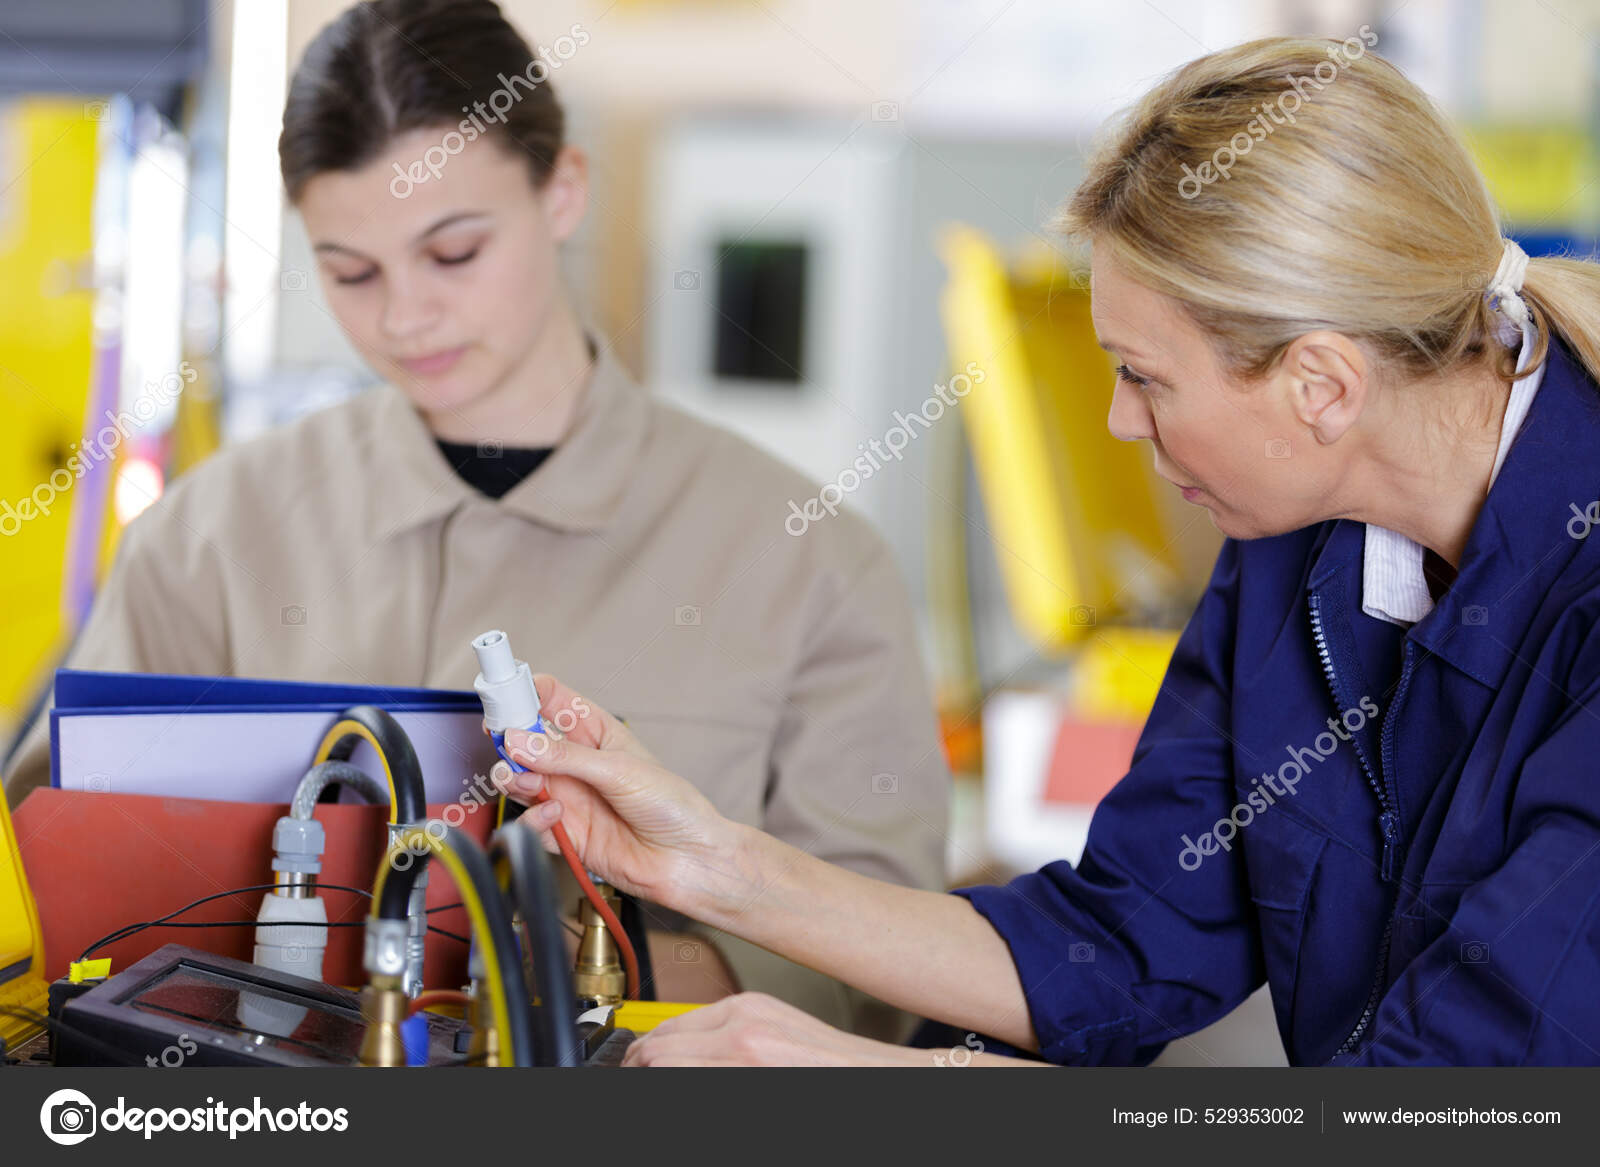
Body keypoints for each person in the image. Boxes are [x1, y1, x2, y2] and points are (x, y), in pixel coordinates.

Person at [490, 37, 1600, 1066]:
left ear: (1319, 385)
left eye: (1143, 375)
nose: (1119, 418)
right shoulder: (1290, 542)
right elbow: (1120, 943)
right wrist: (717, 866)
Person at [3, 0, 949, 1037]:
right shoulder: (210, 535)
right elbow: (62, 855)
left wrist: (549, 973)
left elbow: (883, 962)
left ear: (562, 191)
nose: (404, 315)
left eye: (452, 253)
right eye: (350, 271)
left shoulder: (809, 558)